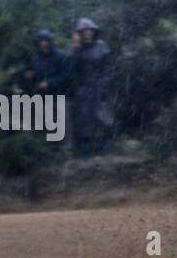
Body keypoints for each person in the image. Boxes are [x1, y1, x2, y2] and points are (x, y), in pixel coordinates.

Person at [67, 17, 114, 157]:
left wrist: (104, 85)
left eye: (89, 30)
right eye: (84, 31)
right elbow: (69, 69)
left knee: (104, 120)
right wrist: (74, 49)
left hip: (100, 88)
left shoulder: (102, 46)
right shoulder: (75, 49)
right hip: (83, 90)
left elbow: (109, 69)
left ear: (94, 31)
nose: (87, 33)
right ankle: (84, 156)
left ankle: (105, 152)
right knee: (84, 121)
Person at [30, 29, 69, 97]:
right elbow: (38, 75)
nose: (43, 43)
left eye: (45, 40)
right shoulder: (36, 57)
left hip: (58, 94)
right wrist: (32, 75)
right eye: (41, 41)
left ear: (50, 41)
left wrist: (49, 83)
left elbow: (65, 76)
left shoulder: (60, 56)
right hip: (41, 95)